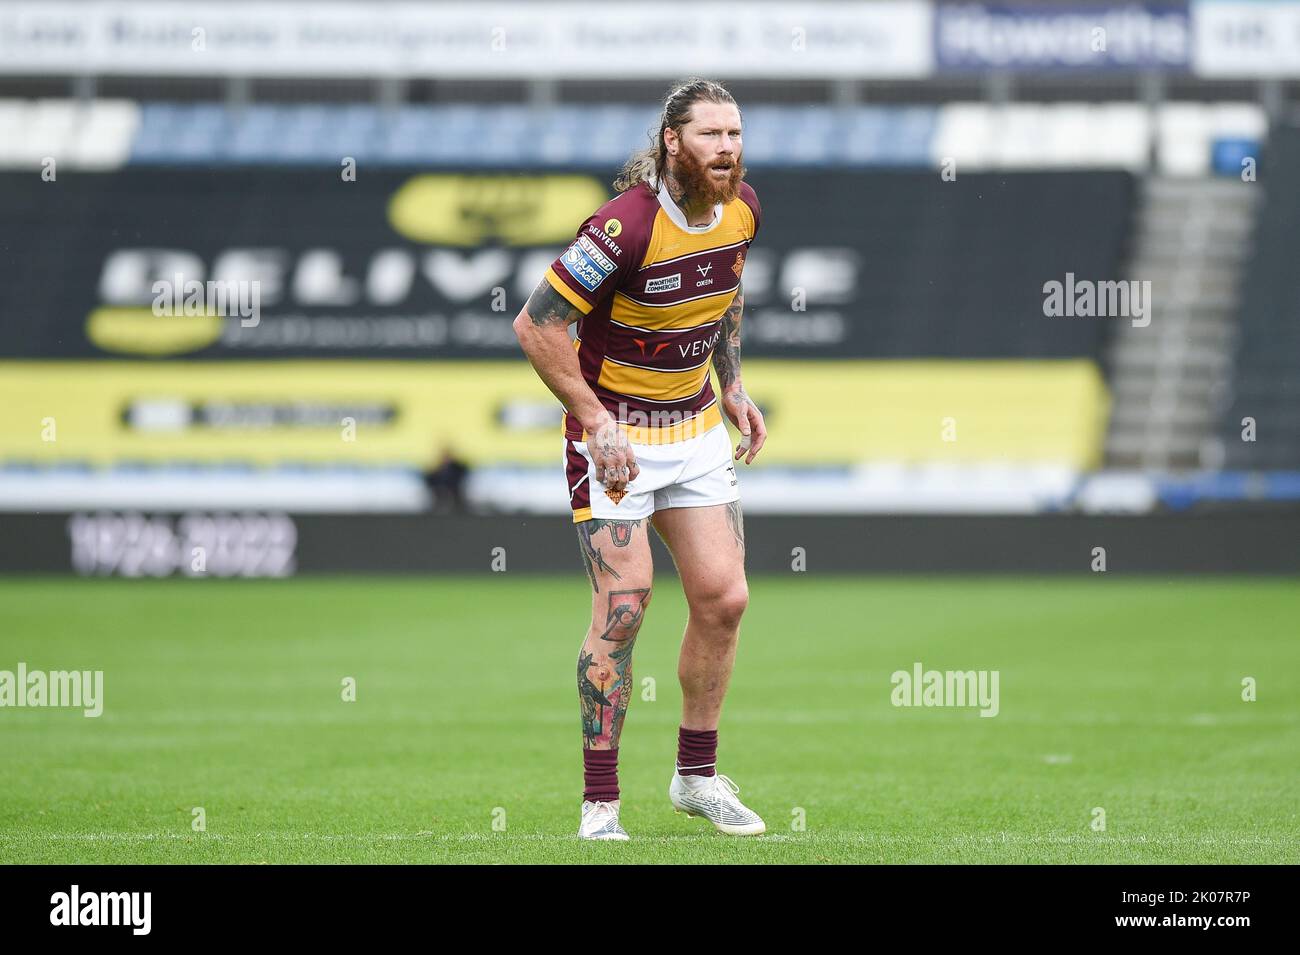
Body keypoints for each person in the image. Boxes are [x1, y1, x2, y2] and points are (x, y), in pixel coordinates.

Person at [512, 78, 768, 840]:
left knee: (725, 599)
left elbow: (725, 295)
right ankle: (600, 805)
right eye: (710, 135)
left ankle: (696, 777)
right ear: (672, 142)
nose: (727, 148)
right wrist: (592, 419)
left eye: (734, 133)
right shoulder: (623, 227)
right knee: (625, 606)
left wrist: (733, 386)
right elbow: (537, 326)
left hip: (692, 429)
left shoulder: (745, 208)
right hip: (617, 434)